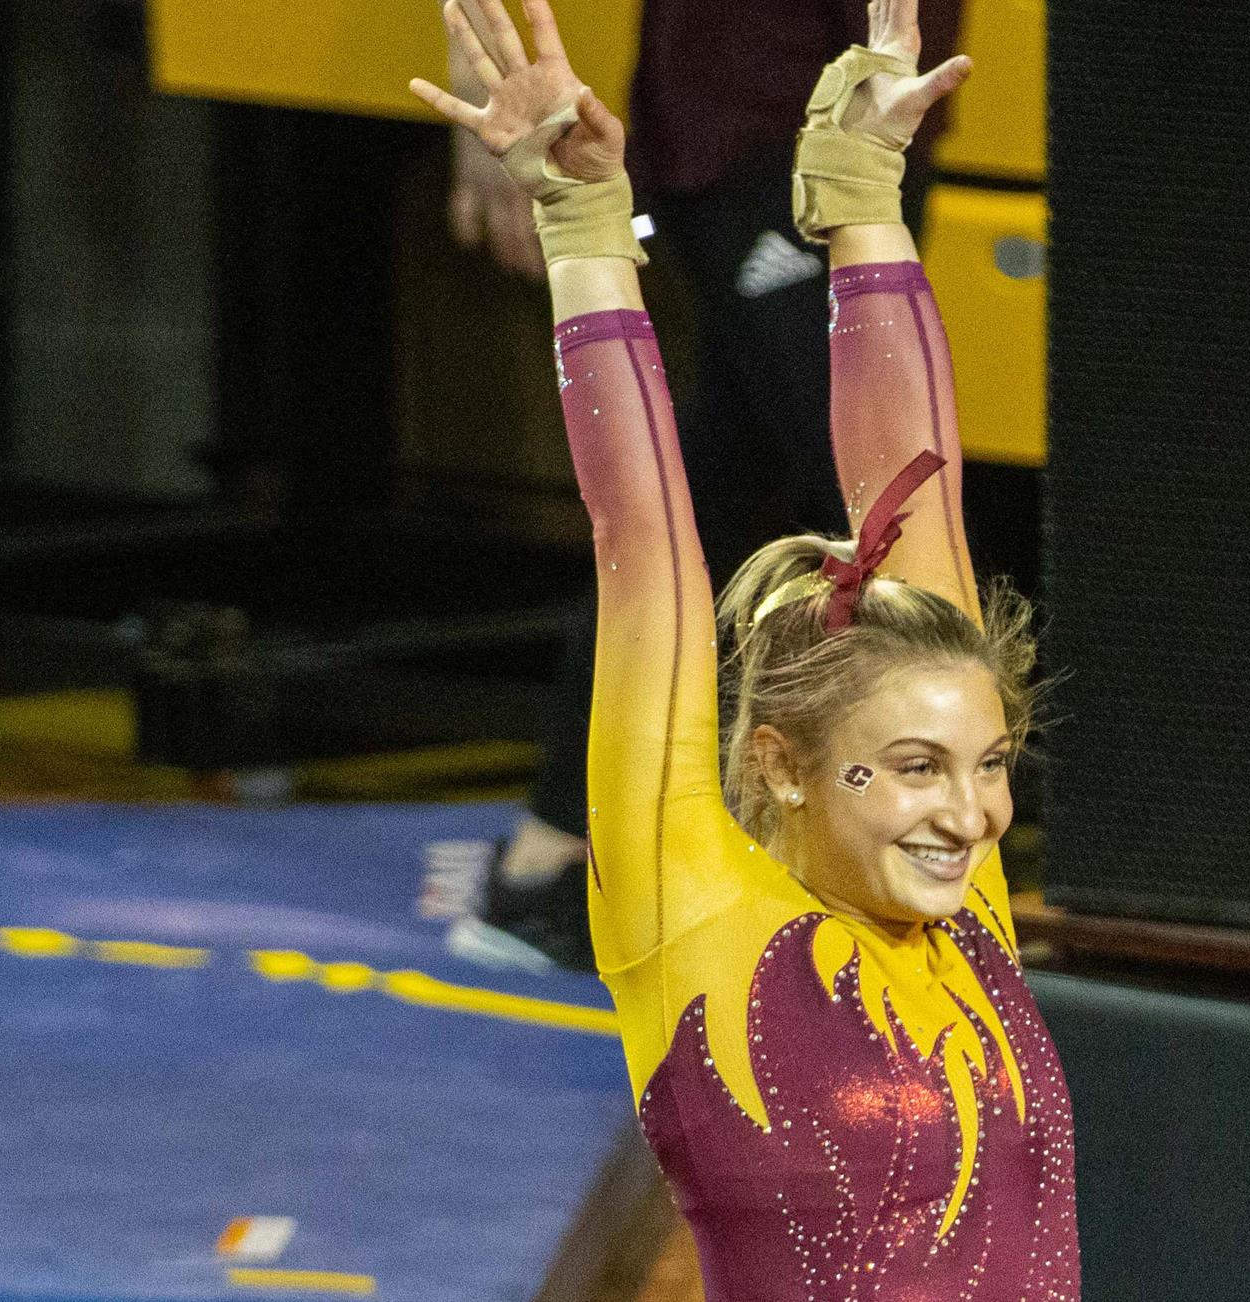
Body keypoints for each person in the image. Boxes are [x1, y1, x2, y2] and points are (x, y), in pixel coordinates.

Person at [411, 0, 1080, 1294]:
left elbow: (917, 496)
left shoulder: (960, 911)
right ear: (779, 764)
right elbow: (643, 549)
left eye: (987, 761)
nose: (977, 810)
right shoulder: (694, 922)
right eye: (923, 767)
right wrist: (586, 234)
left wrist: (863, 195)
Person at [426, 0, 961, 972]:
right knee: (878, 506)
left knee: (722, 496)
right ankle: (907, 873)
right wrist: (477, 83)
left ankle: (554, 863)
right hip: (764, 130)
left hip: (869, 115)